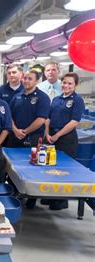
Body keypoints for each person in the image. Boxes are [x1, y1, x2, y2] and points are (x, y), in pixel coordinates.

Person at [44, 72, 85, 210]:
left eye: (70, 83)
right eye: (64, 82)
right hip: (52, 137)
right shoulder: (56, 99)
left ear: (75, 85)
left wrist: (57, 135)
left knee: (62, 170)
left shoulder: (77, 100)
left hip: (66, 139)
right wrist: (47, 133)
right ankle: (51, 197)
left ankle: (61, 201)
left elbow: (74, 122)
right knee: (51, 168)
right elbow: (48, 118)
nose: (66, 85)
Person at [7, 70, 50, 148]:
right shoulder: (16, 96)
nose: (26, 81)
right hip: (15, 137)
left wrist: (24, 132)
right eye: (25, 78)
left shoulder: (43, 97)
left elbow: (41, 119)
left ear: (36, 81)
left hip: (33, 138)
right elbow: (9, 115)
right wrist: (15, 130)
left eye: (30, 79)